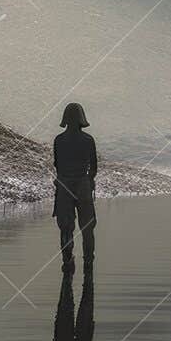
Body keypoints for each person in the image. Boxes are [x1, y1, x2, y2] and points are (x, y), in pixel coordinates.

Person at [52, 102, 98, 273]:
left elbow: (57, 164)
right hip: (83, 186)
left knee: (65, 226)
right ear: (82, 119)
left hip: (64, 186)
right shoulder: (88, 140)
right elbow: (93, 167)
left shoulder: (58, 140)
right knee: (87, 227)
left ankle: (67, 261)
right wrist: (89, 180)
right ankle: (89, 261)